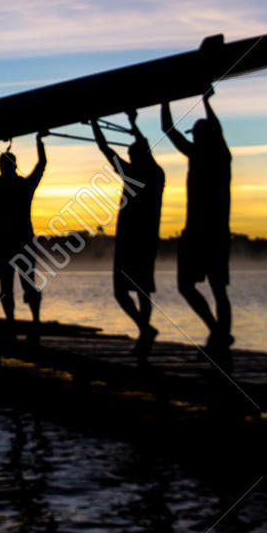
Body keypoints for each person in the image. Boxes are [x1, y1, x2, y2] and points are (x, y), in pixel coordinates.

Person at [161, 86, 233, 357]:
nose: (195, 137)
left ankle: (218, 333)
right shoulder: (217, 156)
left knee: (199, 287)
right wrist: (205, 102)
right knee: (213, 289)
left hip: (202, 233)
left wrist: (165, 100)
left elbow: (168, 129)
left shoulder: (212, 155)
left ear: (203, 136)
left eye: (197, 134)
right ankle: (218, 333)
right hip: (210, 233)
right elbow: (171, 130)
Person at [92, 111, 164, 358]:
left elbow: (105, 148)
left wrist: (95, 124)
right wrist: (133, 124)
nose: (130, 159)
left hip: (133, 241)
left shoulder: (139, 173)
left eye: (133, 156)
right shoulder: (155, 174)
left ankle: (145, 331)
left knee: (128, 292)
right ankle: (145, 330)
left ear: (139, 156)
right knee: (138, 292)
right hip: (143, 241)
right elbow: (111, 149)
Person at [0, 133, 48, 338]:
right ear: (14, 166)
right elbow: (42, 164)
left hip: (6, 243)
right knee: (27, 283)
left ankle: (12, 323)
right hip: (24, 242)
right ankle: (34, 322)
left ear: (3, 167)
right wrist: (39, 141)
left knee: (7, 286)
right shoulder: (27, 185)